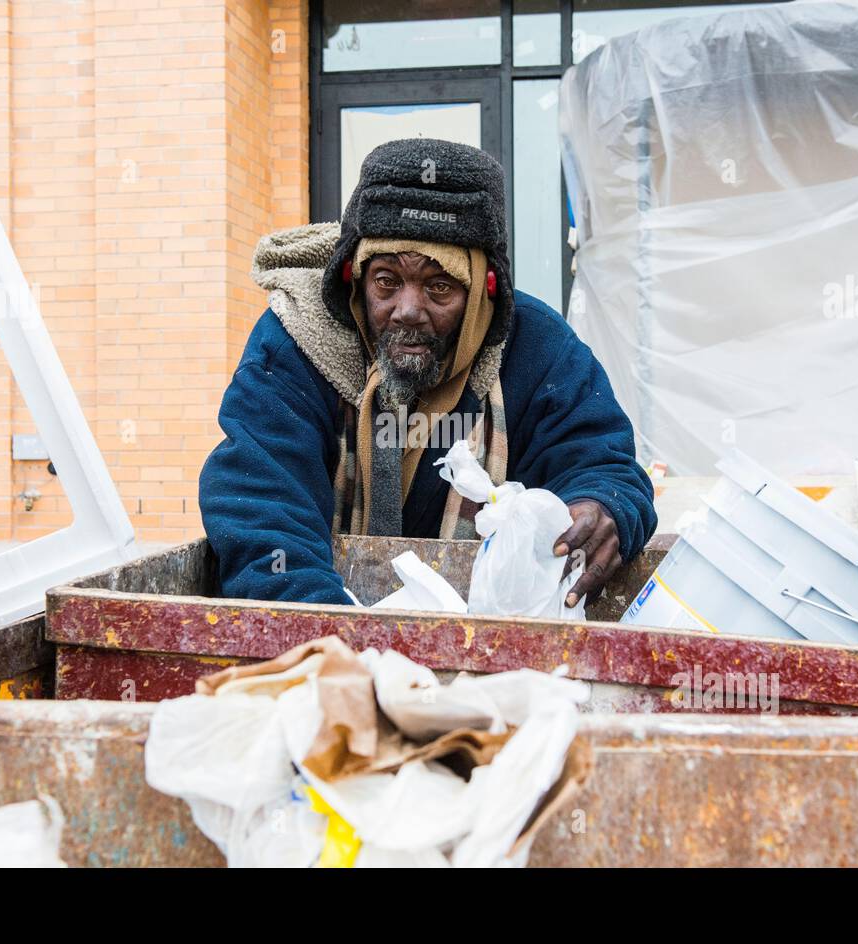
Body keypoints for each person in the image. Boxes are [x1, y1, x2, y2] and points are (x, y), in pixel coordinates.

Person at [199, 138, 656, 607]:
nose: (407, 311)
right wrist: (341, 648)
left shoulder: (537, 348)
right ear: (353, 279)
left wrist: (604, 505)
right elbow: (261, 503)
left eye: (439, 286)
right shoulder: (297, 337)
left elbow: (603, 465)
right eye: (386, 281)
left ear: (483, 291)